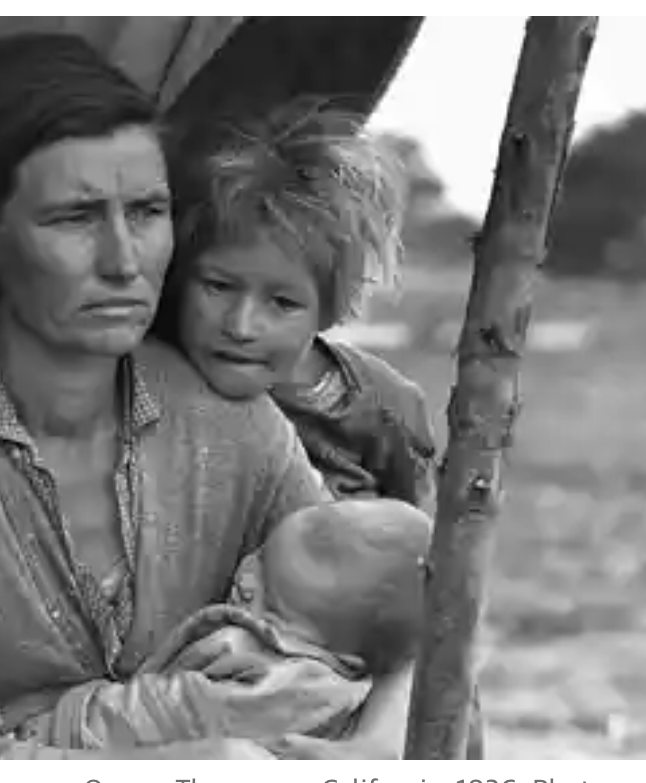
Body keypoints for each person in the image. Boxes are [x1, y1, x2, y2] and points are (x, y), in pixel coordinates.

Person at [0, 33, 407, 760]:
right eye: (74, 218)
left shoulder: (230, 422)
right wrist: (186, 771)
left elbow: (395, 623)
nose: (124, 261)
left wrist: (379, 744)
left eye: (146, 212)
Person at [153, 96, 436, 513]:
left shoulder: (385, 409)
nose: (241, 326)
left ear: (330, 310)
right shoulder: (151, 378)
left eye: (283, 303)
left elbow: (423, 543)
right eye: (218, 286)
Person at [14, 499, 430, 757]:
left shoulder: (277, 686)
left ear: (347, 659)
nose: (245, 580)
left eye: (273, 603)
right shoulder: (342, 667)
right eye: (263, 557)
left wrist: (58, 724)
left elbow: (162, 713)